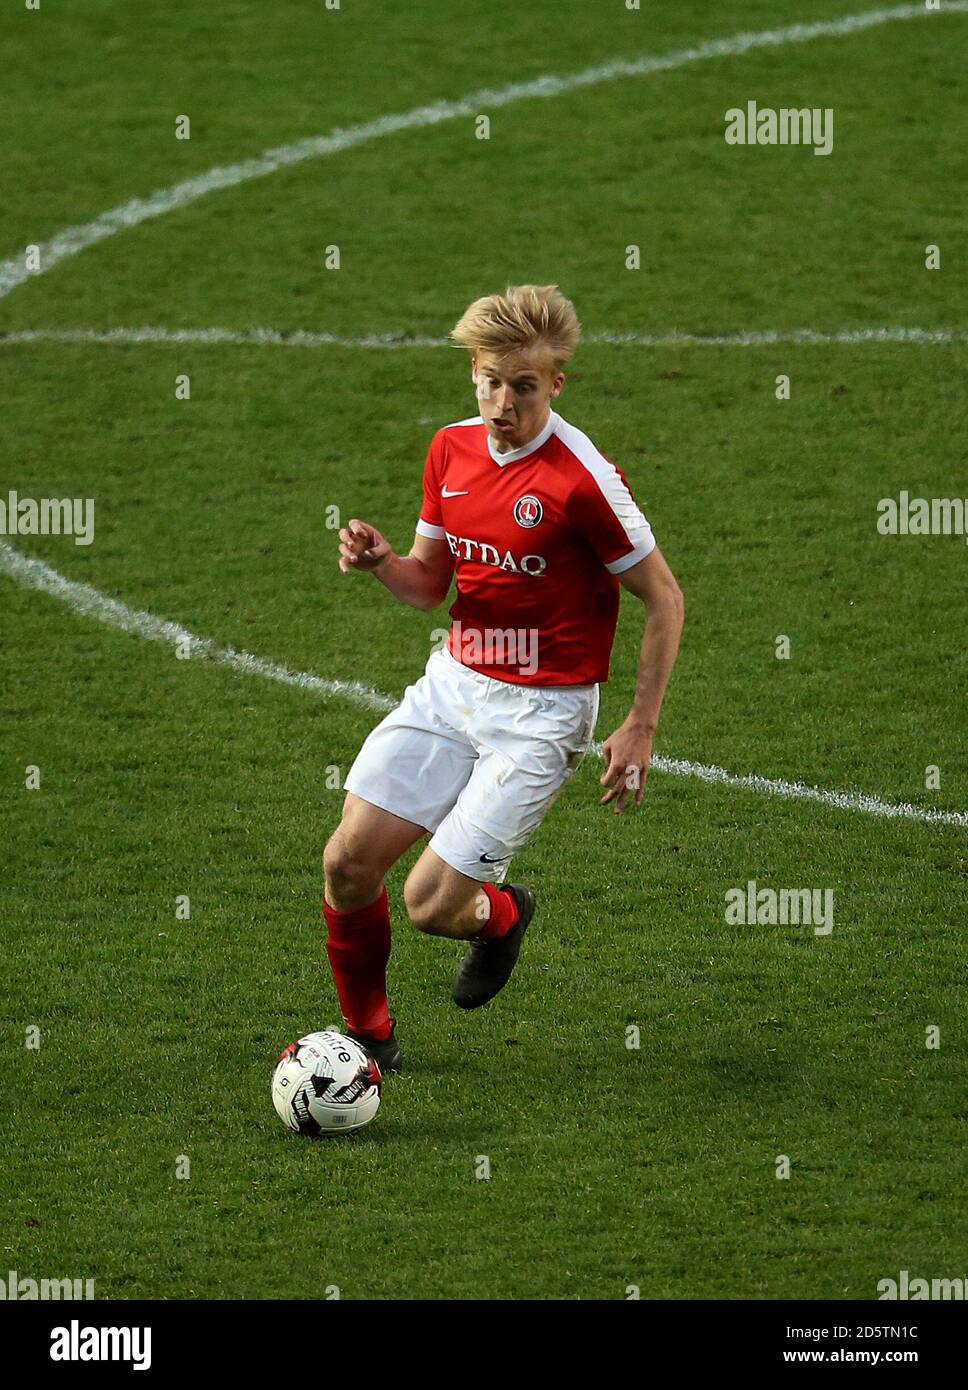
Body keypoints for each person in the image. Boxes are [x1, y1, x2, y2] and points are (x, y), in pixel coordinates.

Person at [323, 284, 684, 1072]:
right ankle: (367, 1039)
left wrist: (639, 723)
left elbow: (664, 596)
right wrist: (383, 563)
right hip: (454, 686)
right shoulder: (449, 450)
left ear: (557, 383)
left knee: (428, 905)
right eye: (490, 379)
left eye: (524, 385)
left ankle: (504, 915)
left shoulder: (582, 480)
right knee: (347, 863)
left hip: (543, 713)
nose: (502, 402)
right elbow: (430, 585)